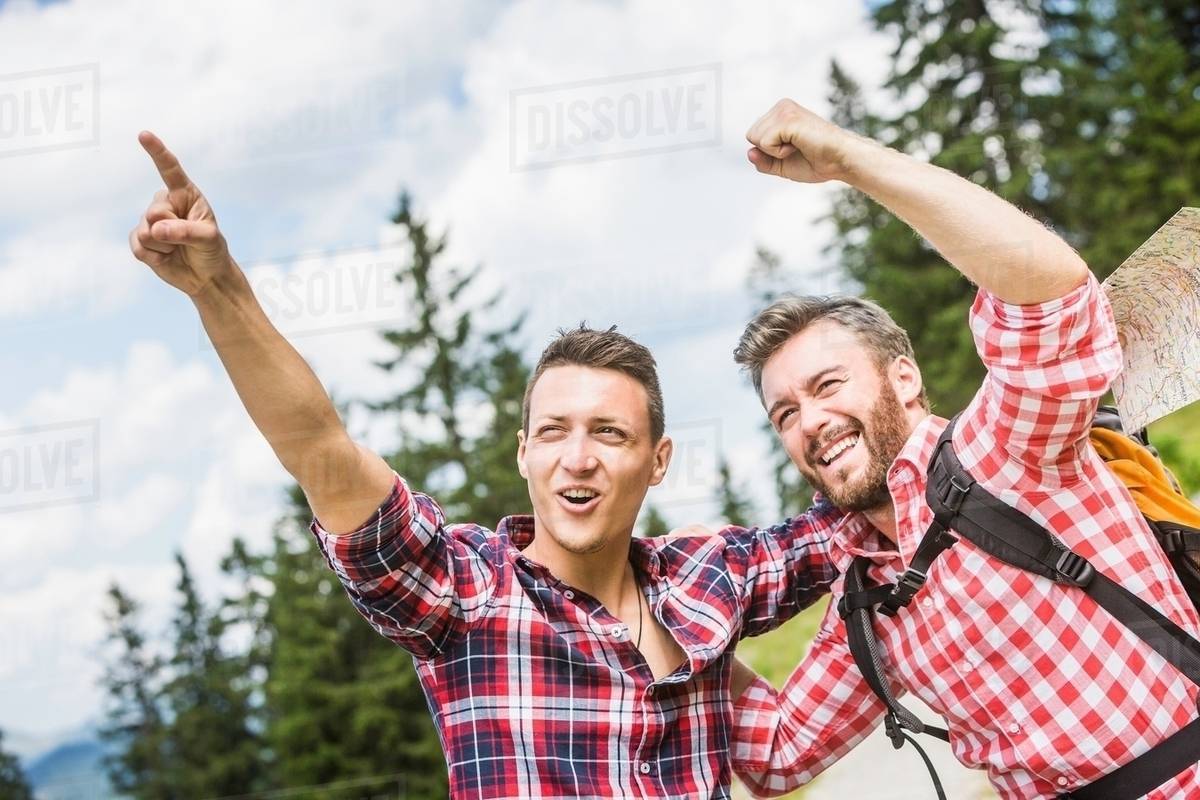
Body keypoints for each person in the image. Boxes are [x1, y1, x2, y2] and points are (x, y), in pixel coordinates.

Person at [127, 131, 842, 799]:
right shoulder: (465, 595)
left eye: (609, 434)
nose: (579, 459)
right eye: (555, 432)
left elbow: (850, 518)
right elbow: (322, 452)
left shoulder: (708, 577)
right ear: (524, 451)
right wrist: (218, 293)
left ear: (657, 461)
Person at [725, 99, 1200, 799]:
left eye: (829, 385)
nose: (812, 422)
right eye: (785, 413)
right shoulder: (865, 597)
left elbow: (1053, 299)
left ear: (904, 378)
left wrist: (847, 158)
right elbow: (775, 755)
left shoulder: (999, 449)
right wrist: (660, 598)